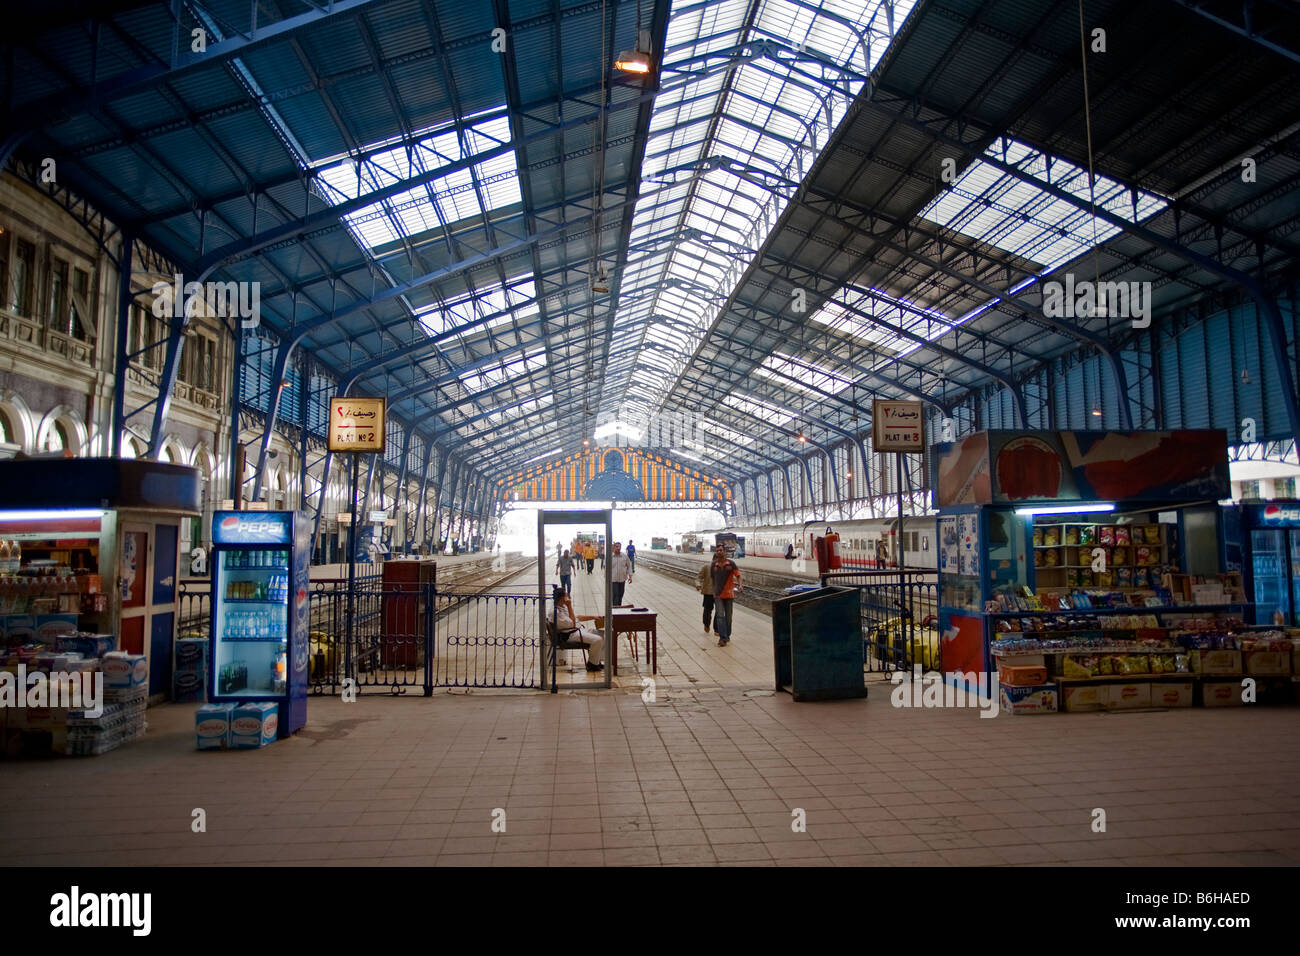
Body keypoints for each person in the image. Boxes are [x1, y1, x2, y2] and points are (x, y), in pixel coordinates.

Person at [552, 586, 605, 672]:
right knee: (598, 640)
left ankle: (596, 661)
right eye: (566, 596)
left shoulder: (562, 606)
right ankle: (592, 665)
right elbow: (573, 623)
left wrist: (593, 617)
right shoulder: (557, 613)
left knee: (603, 634)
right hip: (570, 634)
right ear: (562, 598)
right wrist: (569, 606)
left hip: (577, 630)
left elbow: (576, 617)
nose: (568, 597)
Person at [709, 544, 741, 646]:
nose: (719, 552)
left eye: (721, 550)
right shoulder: (714, 565)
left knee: (728, 617)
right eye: (717, 550)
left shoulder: (731, 564)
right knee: (720, 616)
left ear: (725, 552)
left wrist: (740, 585)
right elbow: (712, 578)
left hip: (729, 595)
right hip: (718, 595)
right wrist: (714, 590)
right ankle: (722, 638)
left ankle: (727, 635)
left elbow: (738, 575)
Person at [608, 541, 632, 606]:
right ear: (614, 547)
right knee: (615, 594)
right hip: (613, 579)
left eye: (619, 547)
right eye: (616, 547)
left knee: (621, 594)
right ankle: (615, 609)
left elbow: (629, 566)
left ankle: (618, 607)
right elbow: (606, 568)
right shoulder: (610, 557)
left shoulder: (624, 556)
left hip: (622, 579)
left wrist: (630, 576)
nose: (618, 548)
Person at [695, 562, 715, 634]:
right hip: (708, 592)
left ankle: (717, 629)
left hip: (719, 593)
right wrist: (698, 584)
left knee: (719, 612)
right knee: (707, 610)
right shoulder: (707, 567)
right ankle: (706, 624)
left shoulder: (723, 567)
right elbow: (699, 577)